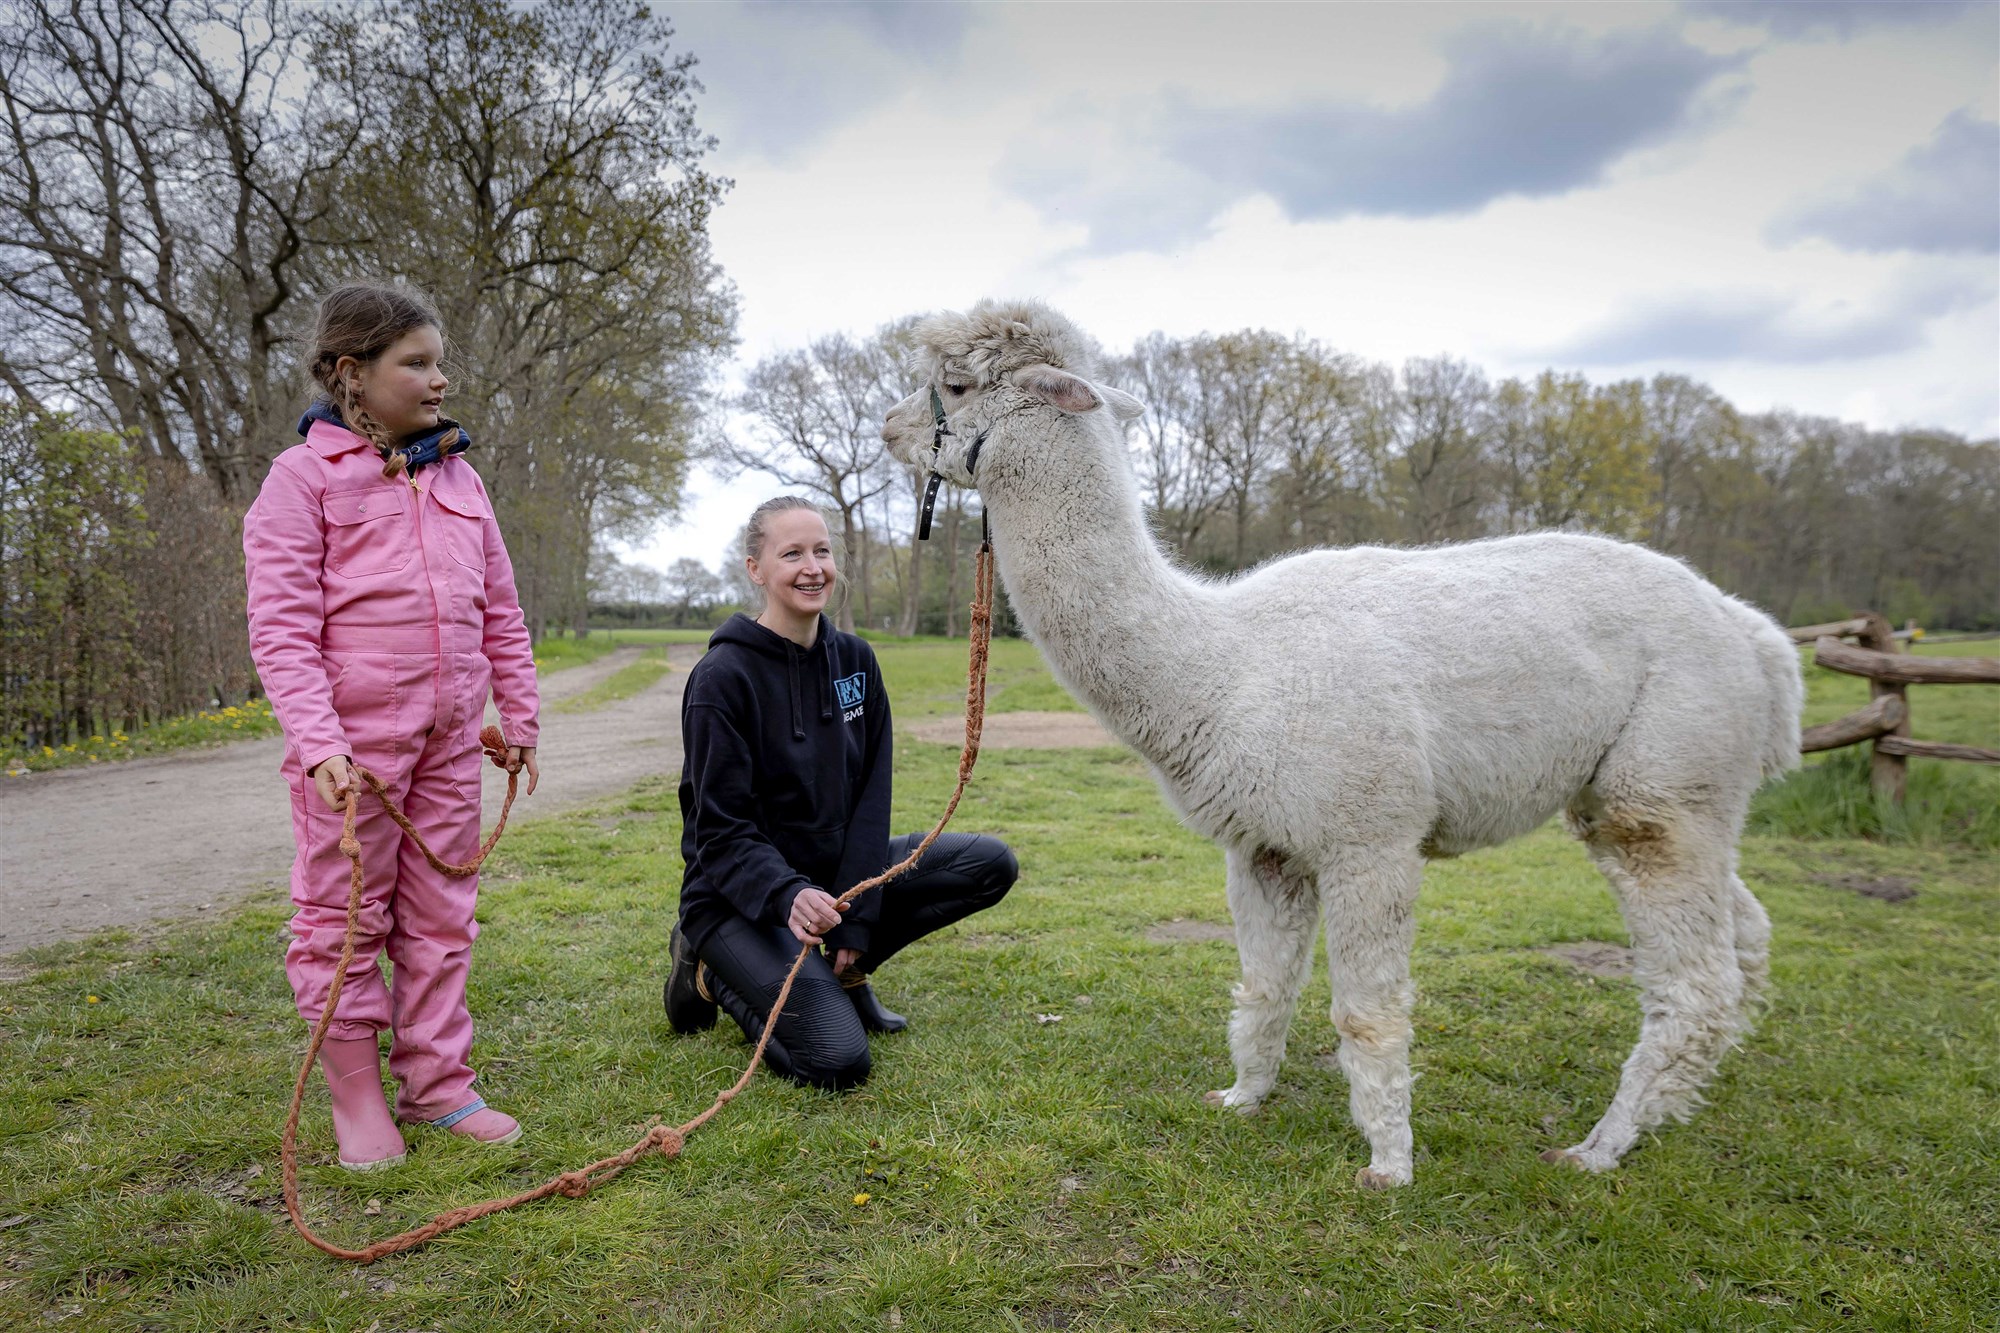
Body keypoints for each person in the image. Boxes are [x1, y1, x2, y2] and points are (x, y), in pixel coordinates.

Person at [244, 282, 541, 1170]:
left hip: (450, 748)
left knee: (443, 915)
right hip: (353, 760)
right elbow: (282, 628)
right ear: (352, 375)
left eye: (439, 361)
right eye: (416, 362)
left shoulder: (462, 477)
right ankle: (356, 1092)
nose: (439, 379)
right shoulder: (302, 481)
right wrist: (322, 742)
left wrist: (516, 714)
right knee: (342, 920)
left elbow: (503, 612)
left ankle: (439, 1083)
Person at [665, 496, 1018, 1090]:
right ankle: (705, 968)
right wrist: (786, 893)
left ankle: (845, 974)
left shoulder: (855, 659)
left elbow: (870, 796)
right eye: (792, 553)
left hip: (834, 883)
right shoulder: (721, 679)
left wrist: (856, 924)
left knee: (987, 865)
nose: (813, 568)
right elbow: (718, 830)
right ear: (756, 570)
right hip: (739, 897)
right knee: (835, 1061)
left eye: (822, 551)